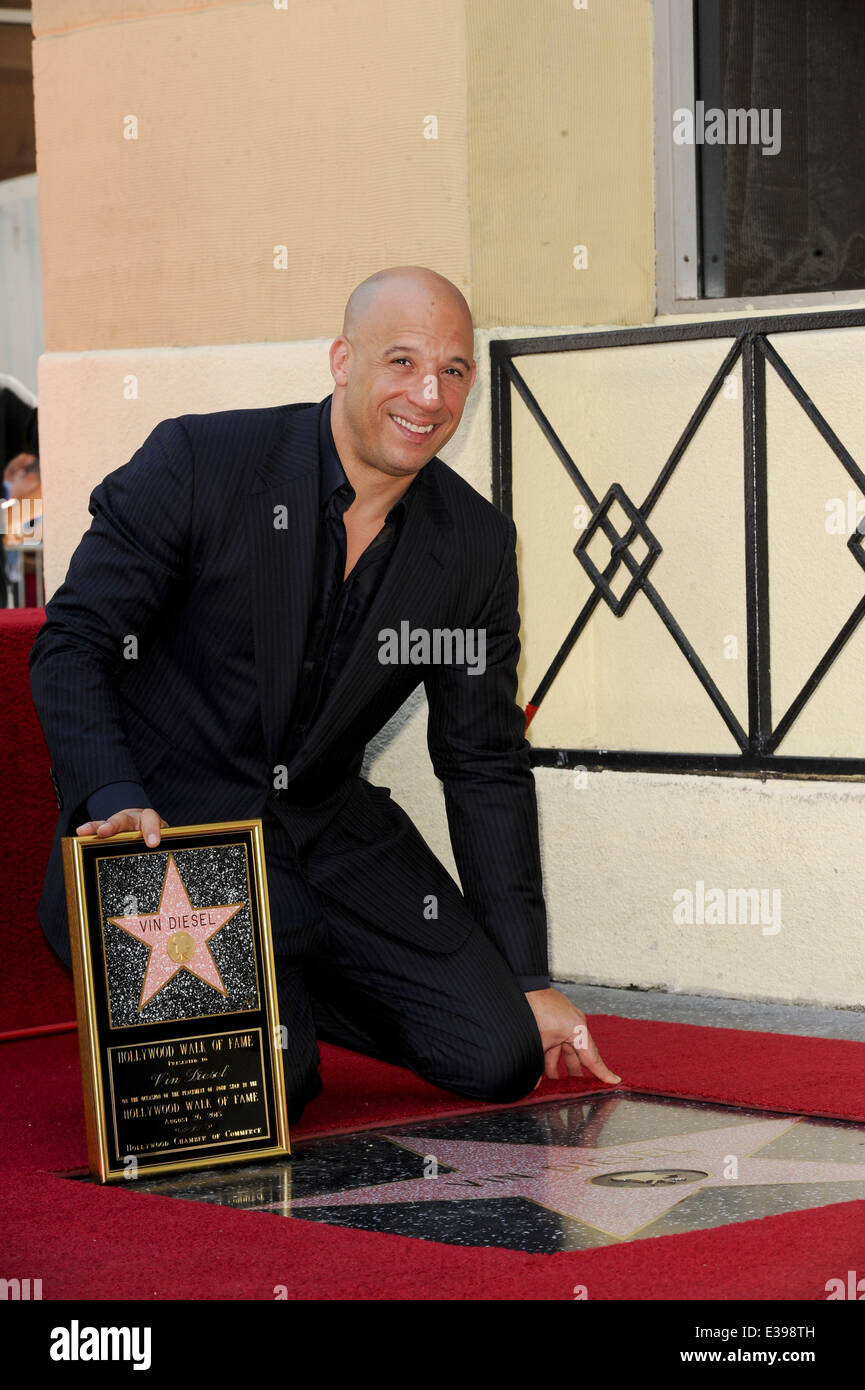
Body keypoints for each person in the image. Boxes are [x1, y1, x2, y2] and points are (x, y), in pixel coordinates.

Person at [30, 266, 620, 1122]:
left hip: (322, 830)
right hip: (168, 835)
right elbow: (74, 643)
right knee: (270, 1087)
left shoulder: (475, 546)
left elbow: (482, 760)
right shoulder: (199, 462)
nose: (428, 394)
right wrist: (114, 797)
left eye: (454, 370)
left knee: (498, 1056)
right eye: (402, 361)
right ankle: (272, 1001)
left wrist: (527, 977)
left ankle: (284, 973)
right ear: (342, 360)